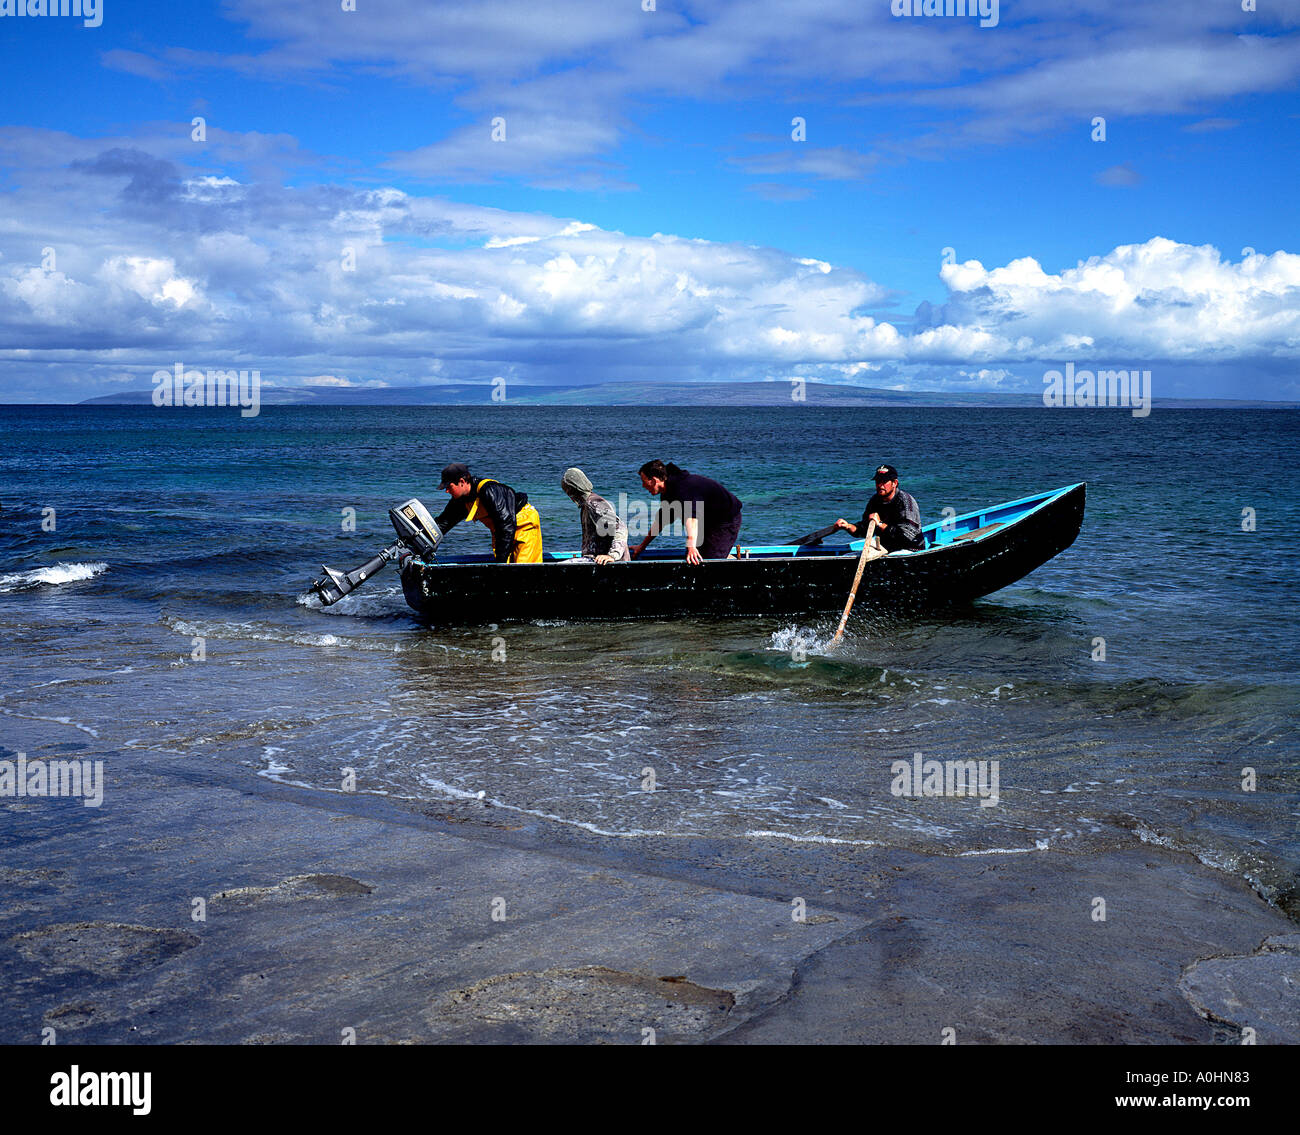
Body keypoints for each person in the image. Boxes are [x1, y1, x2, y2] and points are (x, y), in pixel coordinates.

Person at [631, 460, 743, 565]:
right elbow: (661, 521)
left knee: (708, 560)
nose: (643, 486)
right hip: (706, 520)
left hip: (725, 520)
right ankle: (724, 555)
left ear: (655, 480)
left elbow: (692, 518)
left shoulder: (683, 488)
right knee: (693, 558)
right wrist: (642, 546)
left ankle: (726, 558)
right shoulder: (668, 490)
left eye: (644, 482)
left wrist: (691, 546)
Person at [433, 463, 543, 563]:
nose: (446, 491)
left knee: (524, 570)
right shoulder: (460, 501)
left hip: (524, 525)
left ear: (462, 482)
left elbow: (506, 525)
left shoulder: (489, 490)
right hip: (501, 532)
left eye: (449, 486)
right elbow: (443, 524)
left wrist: (501, 562)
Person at [835, 464, 924, 553]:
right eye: (878, 481)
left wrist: (880, 524)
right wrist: (847, 526)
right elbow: (865, 530)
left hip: (910, 548)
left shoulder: (906, 501)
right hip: (886, 548)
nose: (880, 485)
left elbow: (906, 536)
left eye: (884, 481)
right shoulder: (875, 500)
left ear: (895, 483)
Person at [560, 467, 628, 564]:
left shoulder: (594, 503)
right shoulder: (586, 506)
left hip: (605, 561)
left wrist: (612, 555)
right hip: (595, 560)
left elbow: (620, 528)